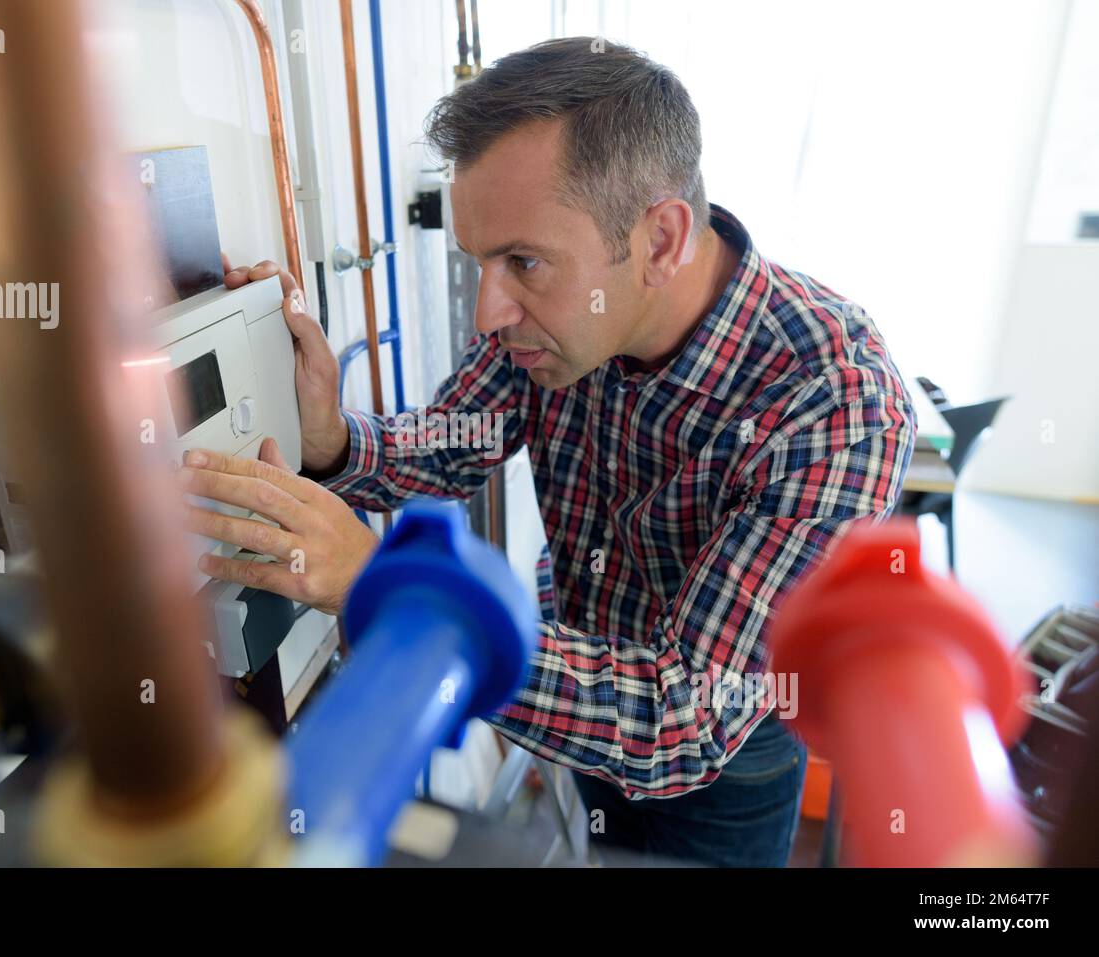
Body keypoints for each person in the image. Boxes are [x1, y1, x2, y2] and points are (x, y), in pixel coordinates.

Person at [178, 37, 915, 866]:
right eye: (481, 262)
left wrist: (382, 582)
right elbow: (457, 441)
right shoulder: (553, 323)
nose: (490, 310)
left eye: (524, 261)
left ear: (661, 240)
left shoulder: (835, 400)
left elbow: (687, 716)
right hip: (580, 705)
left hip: (723, 770)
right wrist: (335, 437)